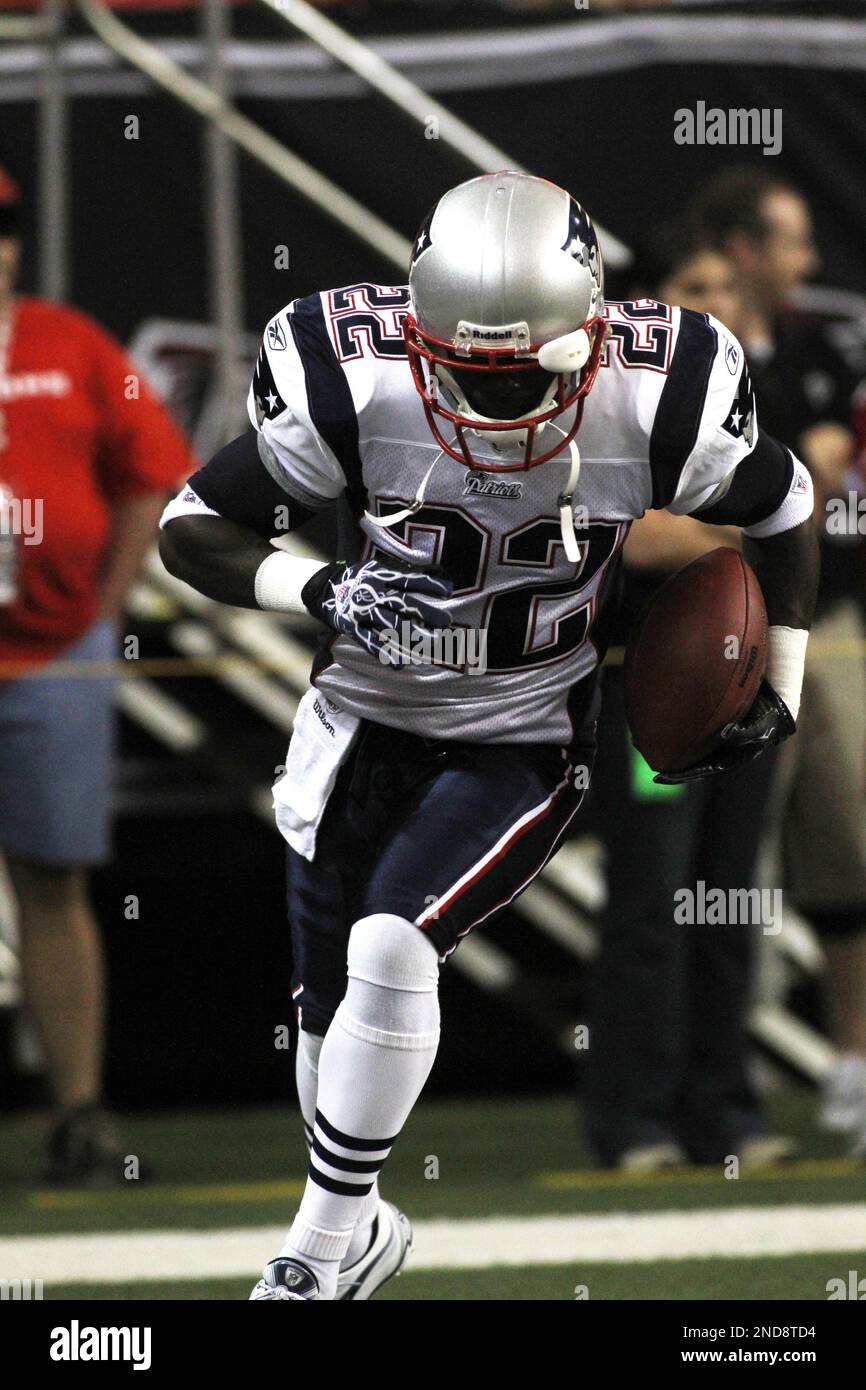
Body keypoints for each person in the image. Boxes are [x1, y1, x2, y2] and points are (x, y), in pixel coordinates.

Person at [160, 171, 818, 1300]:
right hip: (356, 724)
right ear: (419, 334)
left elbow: (785, 503)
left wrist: (784, 678)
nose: (485, 400)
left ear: (588, 334)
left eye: (518, 375)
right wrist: (317, 587)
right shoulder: (354, 376)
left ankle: (314, 1257)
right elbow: (191, 529)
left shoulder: (655, 395)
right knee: (324, 1018)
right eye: (462, 366)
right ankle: (356, 1230)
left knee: (391, 947)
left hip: (522, 732)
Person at [0, 167, 197, 1184]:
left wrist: (109, 604)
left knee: (55, 877)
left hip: (53, 650)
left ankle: (78, 1110)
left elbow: (152, 469)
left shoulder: (69, 342)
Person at [582, 231, 794, 1169]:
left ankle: (726, 1113)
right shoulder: (624, 410)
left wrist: (725, 533)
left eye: (725, 288)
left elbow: (795, 505)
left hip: (744, 685)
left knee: (730, 897)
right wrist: (754, 537)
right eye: (690, 286)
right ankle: (636, 1119)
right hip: (654, 689)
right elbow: (648, 540)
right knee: (653, 898)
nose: (713, 302)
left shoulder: (746, 411)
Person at [690, 169, 866, 1150]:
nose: (805, 262)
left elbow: (814, 471)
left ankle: (848, 1059)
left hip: (819, 611)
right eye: (788, 242)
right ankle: (714, 1080)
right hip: (717, 625)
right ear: (739, 249)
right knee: (715, 859)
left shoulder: (810, 347)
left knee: (842, 833)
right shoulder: (689, 365)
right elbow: (754, 486)